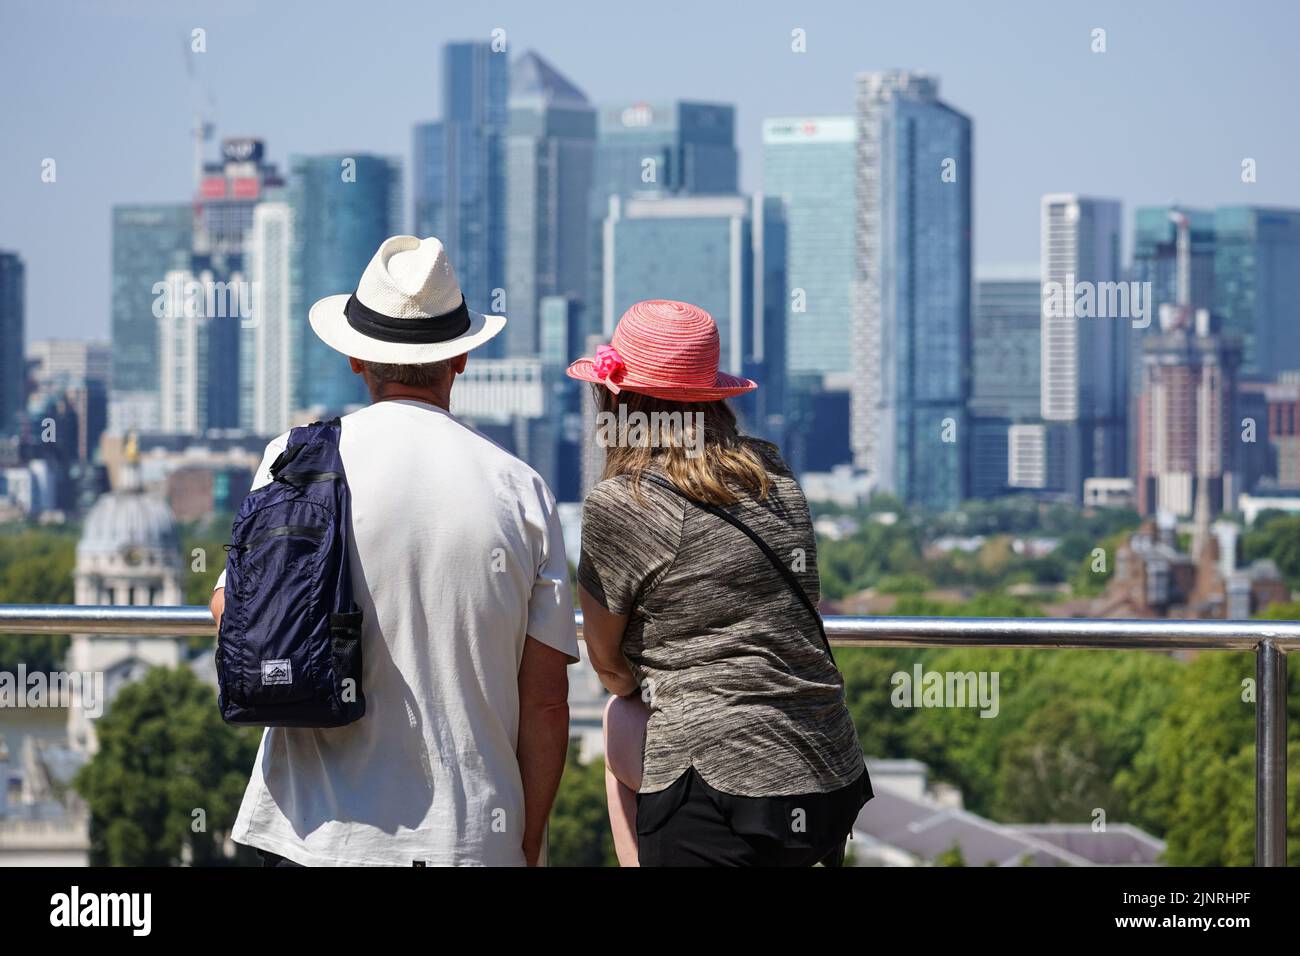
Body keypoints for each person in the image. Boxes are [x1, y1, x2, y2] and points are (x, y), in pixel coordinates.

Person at [209, 235, 578, 866]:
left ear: (356, 358)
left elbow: (234, 618)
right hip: (469, 842)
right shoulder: (522, 491)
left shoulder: (295, 462)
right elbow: (545, 701)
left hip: (313, 834)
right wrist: (528, 843)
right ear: (460, 357)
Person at [569, 299, 871, 867]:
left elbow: (608, 666)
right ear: (713, 399)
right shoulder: (773, 474)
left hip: (715, 783)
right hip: (824, 766)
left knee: (621, 720)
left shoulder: (624, 503)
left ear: (617, 400)